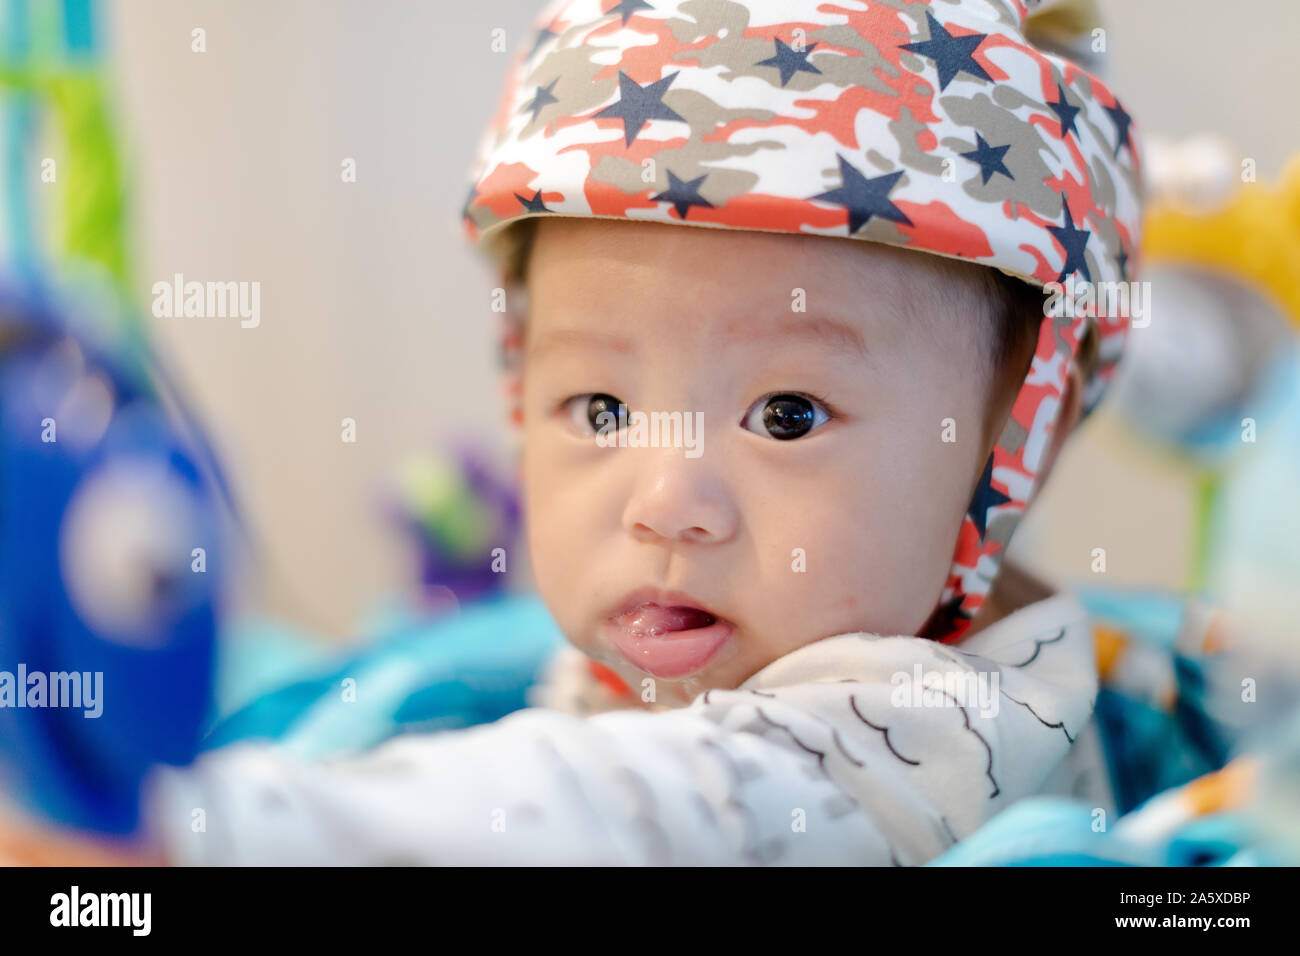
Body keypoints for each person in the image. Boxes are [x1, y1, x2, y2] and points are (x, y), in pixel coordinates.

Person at [1, 0, 1142, 865]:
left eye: (786, 415)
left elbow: (613, 810)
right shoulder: (712, 637)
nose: (664, 498)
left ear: (1012, 434)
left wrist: (184, 838)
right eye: (599, 408)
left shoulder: (917, 732)